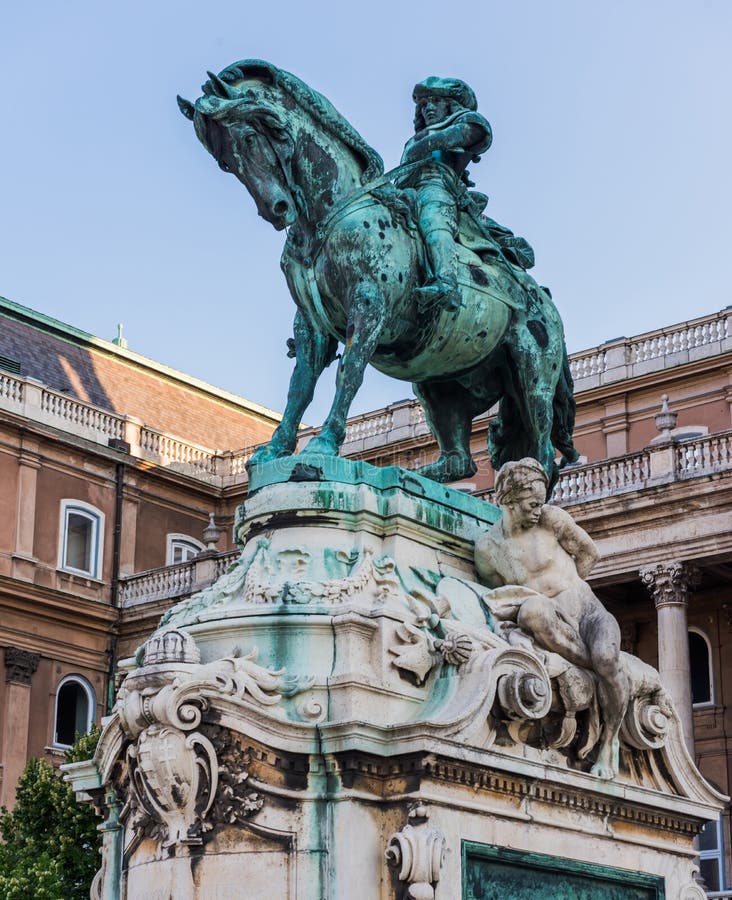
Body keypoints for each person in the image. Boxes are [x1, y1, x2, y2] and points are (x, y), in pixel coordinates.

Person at [474, 458, 629, 779]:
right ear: (508, 500)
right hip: (552, 623)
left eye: (540, 503)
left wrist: (573, 592)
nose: (537, 509)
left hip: (588, 612)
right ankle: (596, 672)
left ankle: (609, 741)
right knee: (532, 611)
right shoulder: (488, 550)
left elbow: (589, 553)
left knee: (606, 657)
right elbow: (500, 593)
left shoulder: (551, 521)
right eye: (531, 504)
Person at [399, 77, 492, 310]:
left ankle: (446, 283)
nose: (428, 108)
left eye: (436, 101)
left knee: (433, 218)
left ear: (450, 104)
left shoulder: (464, 123)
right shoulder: (414, 139)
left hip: (437, 186)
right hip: (404, 192)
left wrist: (426, 145)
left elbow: (470, 134)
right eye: (423, 104)